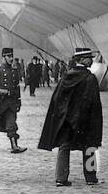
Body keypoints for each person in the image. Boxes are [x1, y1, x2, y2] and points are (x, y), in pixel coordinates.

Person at [38, 47, 103, 186]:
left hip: (67, 120)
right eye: (88, 57)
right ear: (82, 60)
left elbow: (57, 99)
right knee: (90, 146)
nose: (91, 60)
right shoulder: (90, 78)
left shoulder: (66, 76)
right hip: (85, 120)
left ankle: (61, 178)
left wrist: (64, 115)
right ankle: (91, 178)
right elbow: (93, 102)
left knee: (64, 146)